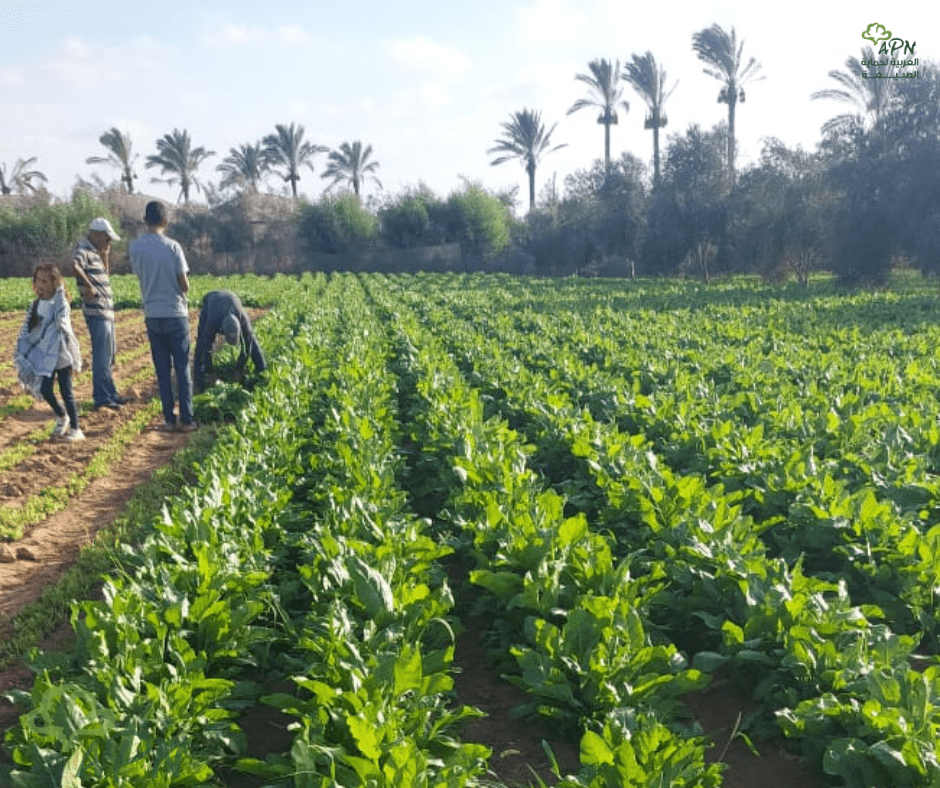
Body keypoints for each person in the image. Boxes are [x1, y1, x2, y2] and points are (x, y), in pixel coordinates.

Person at [130, 200, 196, 433]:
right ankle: (187, 420)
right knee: (182, 368)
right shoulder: (173, 247)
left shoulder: (136, 248)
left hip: (152, 314)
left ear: (146, 220)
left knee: (162, 371)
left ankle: (169, 419)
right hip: (175, 313)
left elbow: (141, 277)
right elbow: (184, 284)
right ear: (165, 222)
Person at [15, 262, 85, 441]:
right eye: (38, 280)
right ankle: (62, 416)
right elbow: (31, 331)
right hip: (45, 356)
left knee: (66, 392)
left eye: (45, 281)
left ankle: (76, 430)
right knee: (45, 389)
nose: (40, 285)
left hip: (61, 355)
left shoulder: (59, 302)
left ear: (54, 283)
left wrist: (61, 290)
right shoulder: (36, 305)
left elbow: (63, 322)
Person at [72, 217, 126, 411]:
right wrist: (88, 287)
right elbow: (75, 266)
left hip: (105, 311)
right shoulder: (83, 250)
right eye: (107, 238)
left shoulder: (95, 251)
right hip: (96, 311)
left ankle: (111, 394)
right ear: (95, 234)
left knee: (109, 355)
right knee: (102, 356)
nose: (109, 241)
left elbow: (105, 274)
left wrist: (105, 254)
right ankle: (102, 398)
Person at [193, 290, 267, 393]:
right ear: (221, 330)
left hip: (232, 299)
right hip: (211, 299)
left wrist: (240, 367)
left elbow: (249, 343)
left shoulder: (243, 319)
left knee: (252, 340)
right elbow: (206, 347)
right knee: (202, 341)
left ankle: (262, 370)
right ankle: (198, 379)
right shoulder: (212, 322)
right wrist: (210, 371)